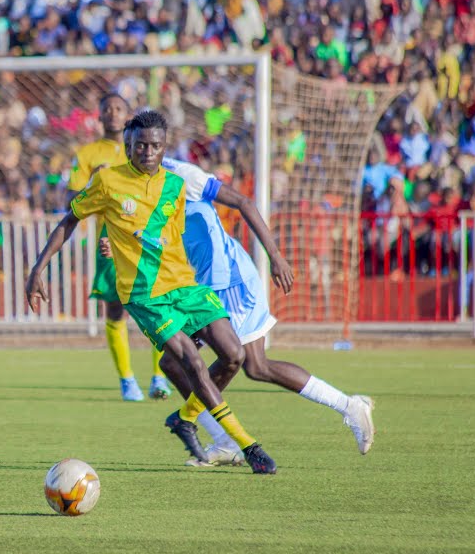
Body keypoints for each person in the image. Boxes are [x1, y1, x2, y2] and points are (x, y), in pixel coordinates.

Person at [26, 110, 277, 474]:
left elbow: (165, 238)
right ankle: (249, 446)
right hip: (145, 294)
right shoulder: (108, 181)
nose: (147, 151)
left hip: (185, 286)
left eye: (155, 146)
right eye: (140, 145)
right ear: (128, 146)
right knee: (191, 361)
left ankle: (184, 419)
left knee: (234, 355)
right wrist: (39, 267)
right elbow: (70, 220)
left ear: (164, 148)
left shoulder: (175, 186)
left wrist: (131, 242)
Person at [100, 155, 376, 463]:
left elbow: (243, 202)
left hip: (229, 281)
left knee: (253, 365)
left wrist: (275, 256)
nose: (137, 152)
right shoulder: (135, 187)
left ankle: (348, 406)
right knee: (173, 365)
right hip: (197, 287)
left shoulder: (184, 176)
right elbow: (158, 235)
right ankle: (224, 440)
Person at [68, 93, 171, 402]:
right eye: (107, 109)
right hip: (108, 241)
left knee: (155, 305)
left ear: (128, 113)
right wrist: (93, 182)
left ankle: (160, 377)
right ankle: (127, 381)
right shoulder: (88, 153)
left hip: (147, 240)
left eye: (118, 108)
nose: (112, 113)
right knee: (115, 309)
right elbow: (71, 200)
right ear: (99, 116)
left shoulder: (142, 147)